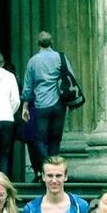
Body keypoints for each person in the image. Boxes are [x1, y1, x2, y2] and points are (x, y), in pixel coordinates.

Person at [20, 31, 80, 169]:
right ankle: (52, 166)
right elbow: (71, 77)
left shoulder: (33, 61)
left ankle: (48, 164)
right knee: (55, 139)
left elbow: (28, 86)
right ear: (51, 42)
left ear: (38, 43)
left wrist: (25, 106)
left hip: (41, 104)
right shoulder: (60, 57)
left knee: (39, 139)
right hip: (59, 104)